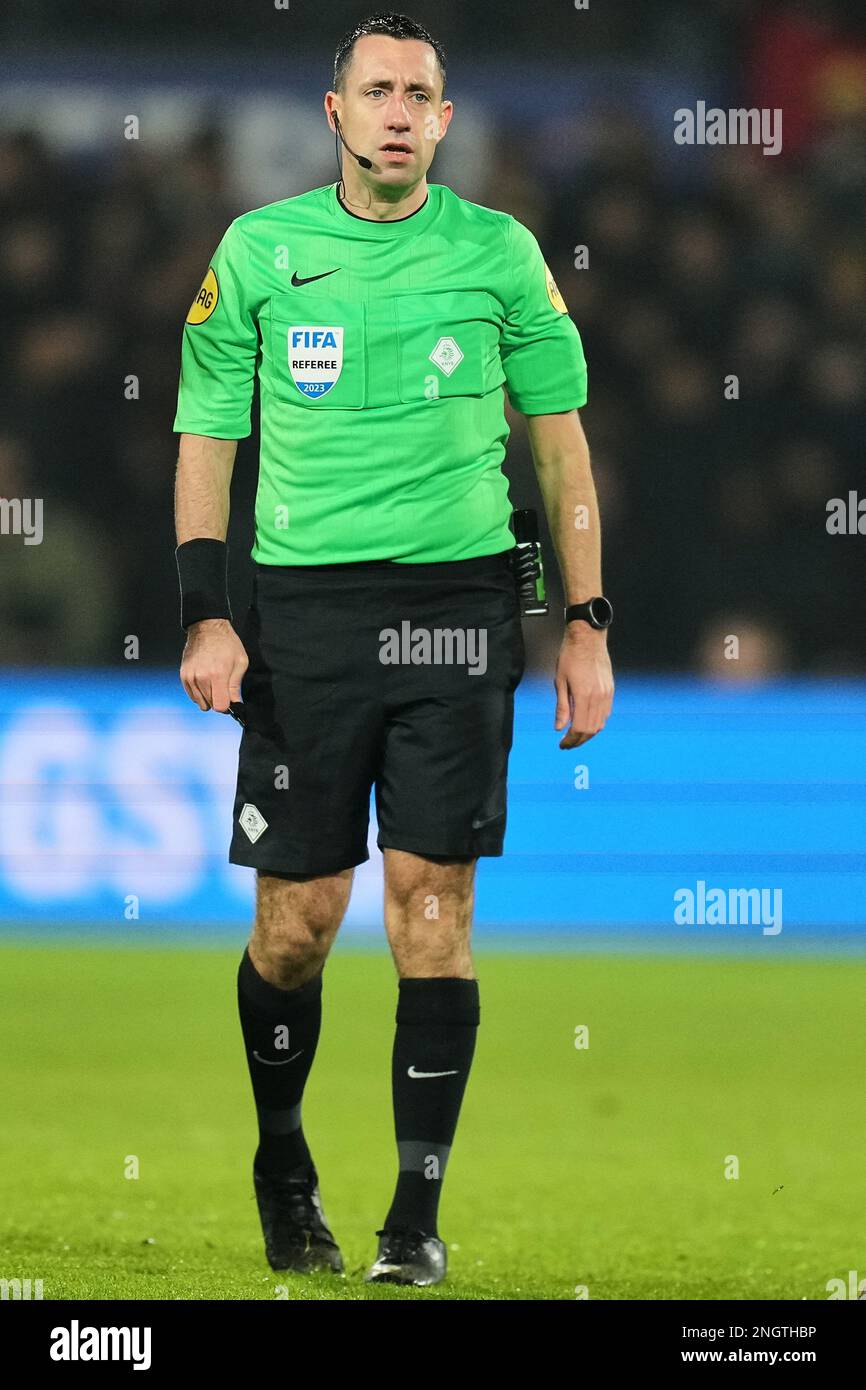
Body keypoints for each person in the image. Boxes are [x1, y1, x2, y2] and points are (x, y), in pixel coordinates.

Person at [172, 11, 614, 1288]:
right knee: (298, 924)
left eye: (420, 92)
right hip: (302, 617)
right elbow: (207, 437)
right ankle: (280, 1165)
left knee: (432, 909)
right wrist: (206, 610)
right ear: (334, 112)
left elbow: (560, 447)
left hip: (462, 607)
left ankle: (410, 1224)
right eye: (377, 90)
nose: (399, 111)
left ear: (446, 118)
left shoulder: (500, 256)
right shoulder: (259, 253)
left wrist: (582, 619)